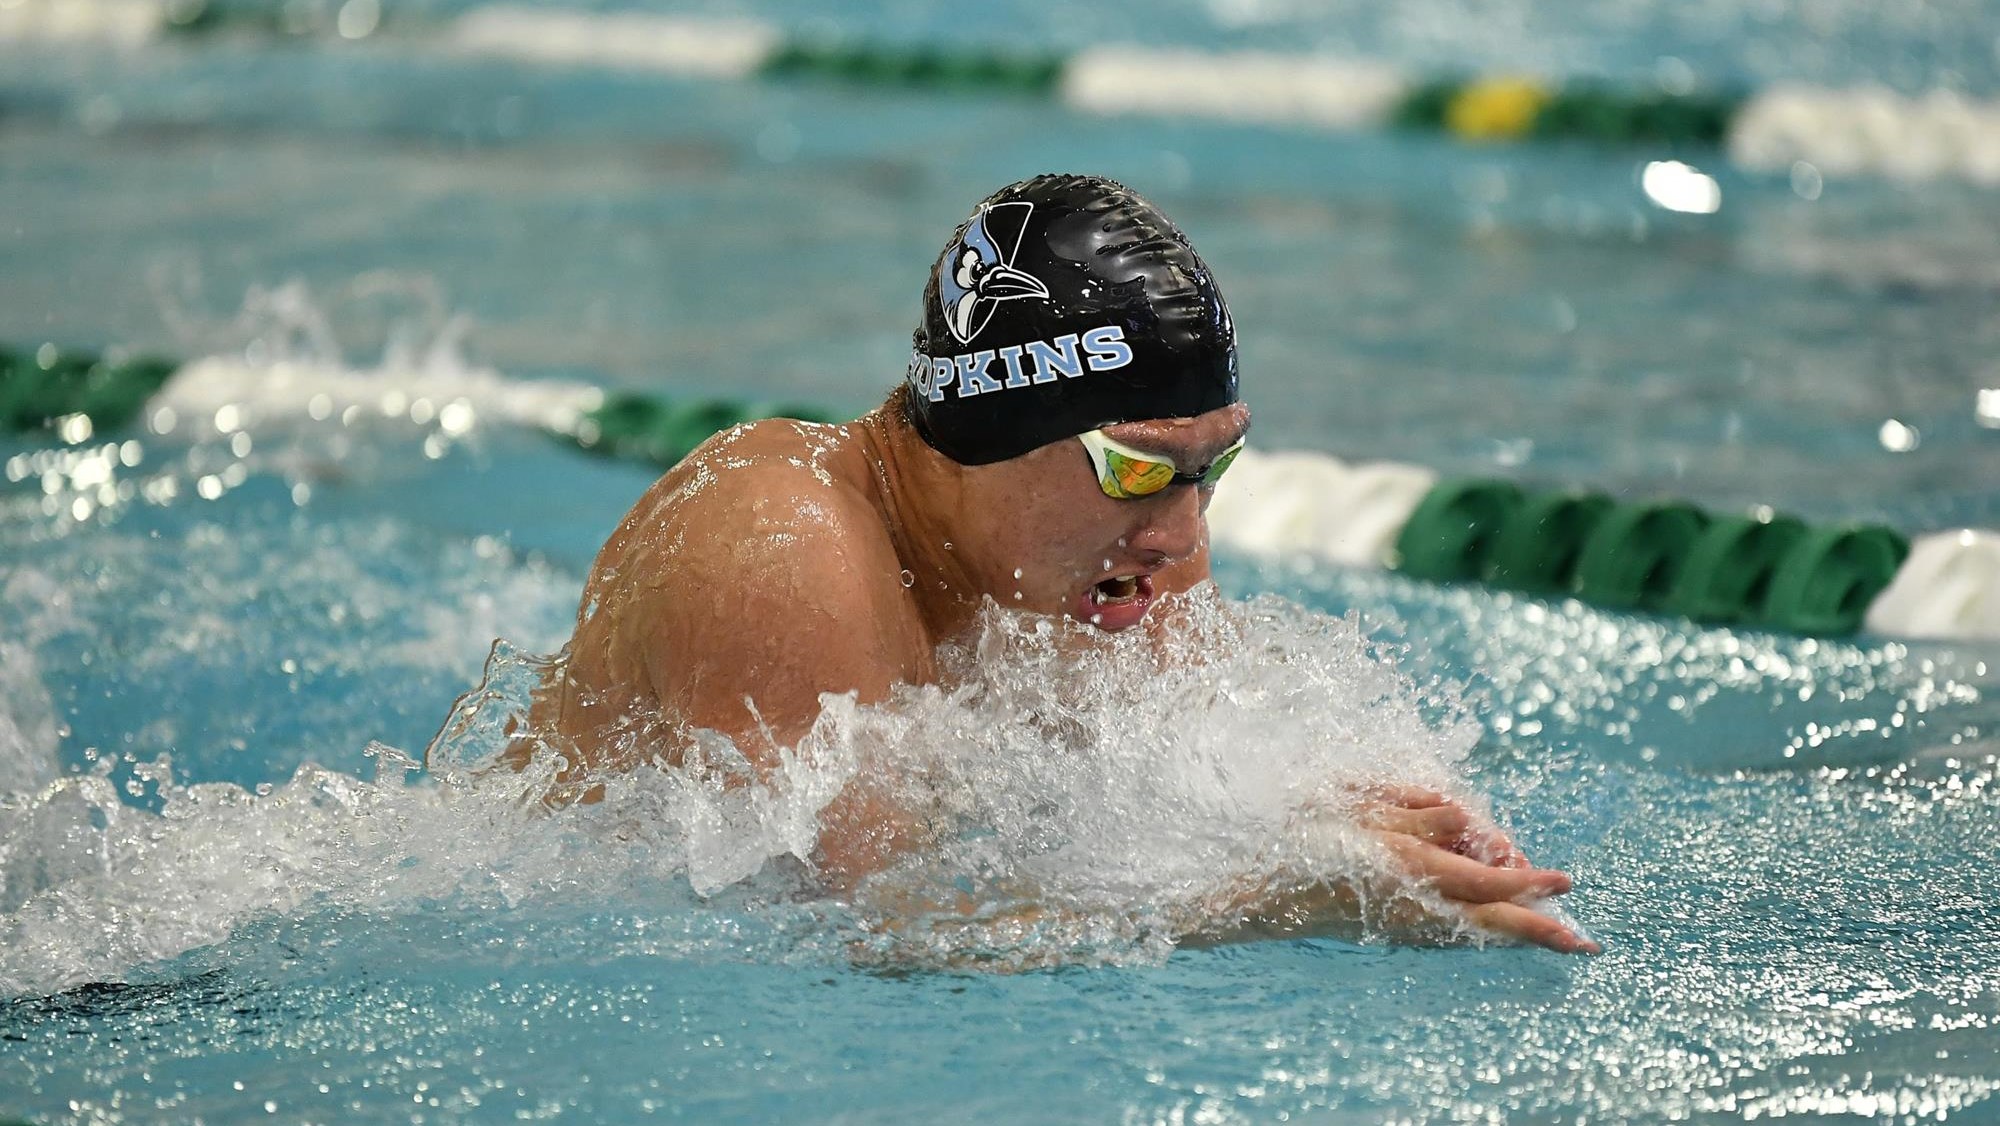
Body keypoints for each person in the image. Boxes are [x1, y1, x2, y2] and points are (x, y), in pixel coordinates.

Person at [526, 173, 1597, 954]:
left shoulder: (1115, 544)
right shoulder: (778, 550)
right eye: (1136, 471)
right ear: (994, 430)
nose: (1179, 534)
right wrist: (1294, 891)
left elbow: (1187, 763)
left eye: (1211, 465)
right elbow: (882, 935)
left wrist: (1358, 818)